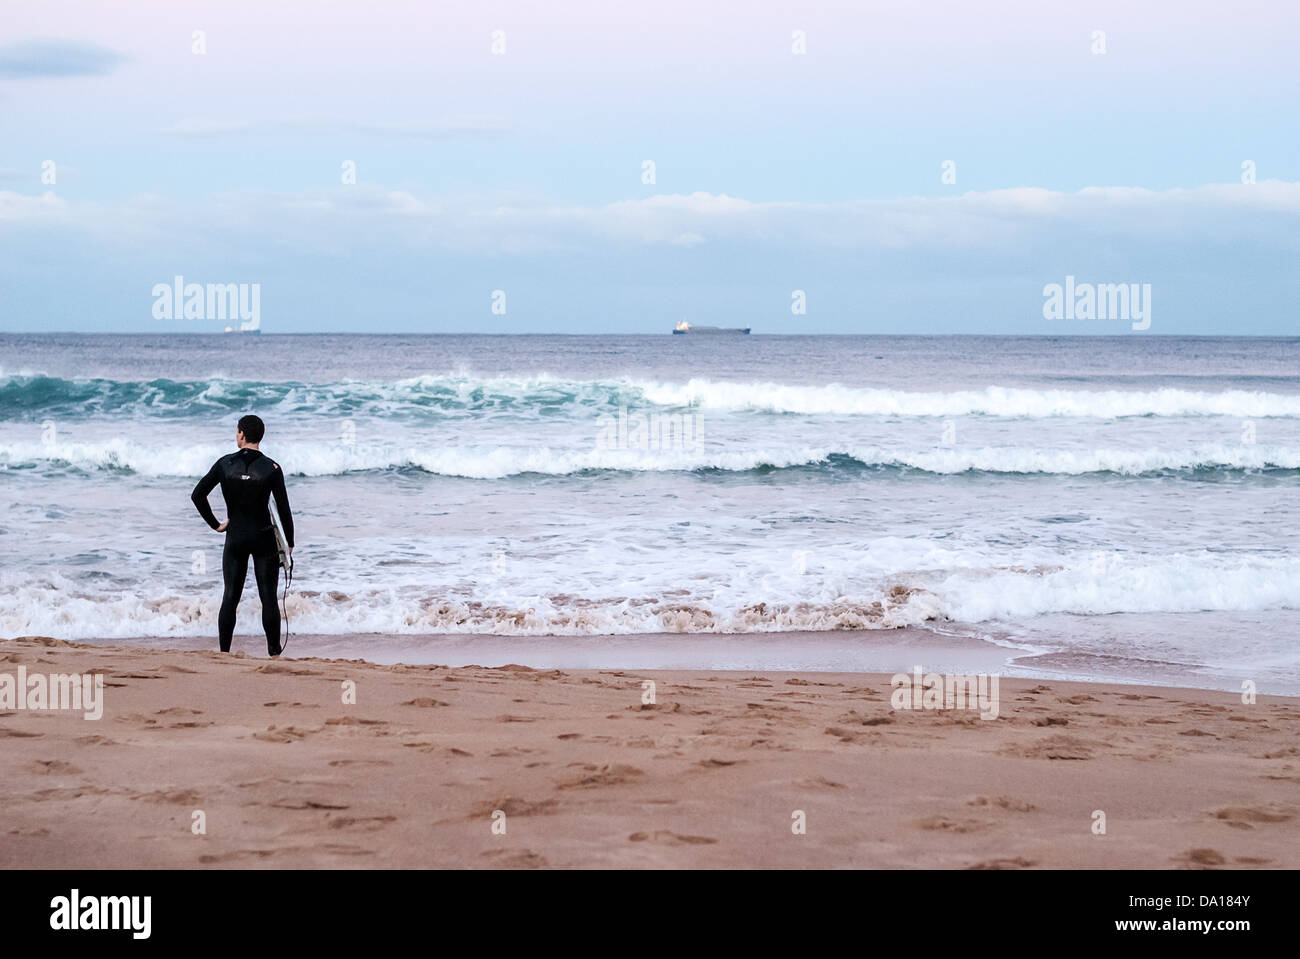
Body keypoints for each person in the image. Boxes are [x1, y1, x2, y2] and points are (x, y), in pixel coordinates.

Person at [191, 414, 294, 656]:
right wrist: (289, 542)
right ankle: (274, 653)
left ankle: (224, 652)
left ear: (241, 434)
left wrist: (216, 525)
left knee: (230, 596)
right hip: (263, 537)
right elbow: (284, 508)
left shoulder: (225, 464)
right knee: (268, 597)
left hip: (235, 537)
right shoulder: (272, 468)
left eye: (237, 432)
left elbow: (197, 495)